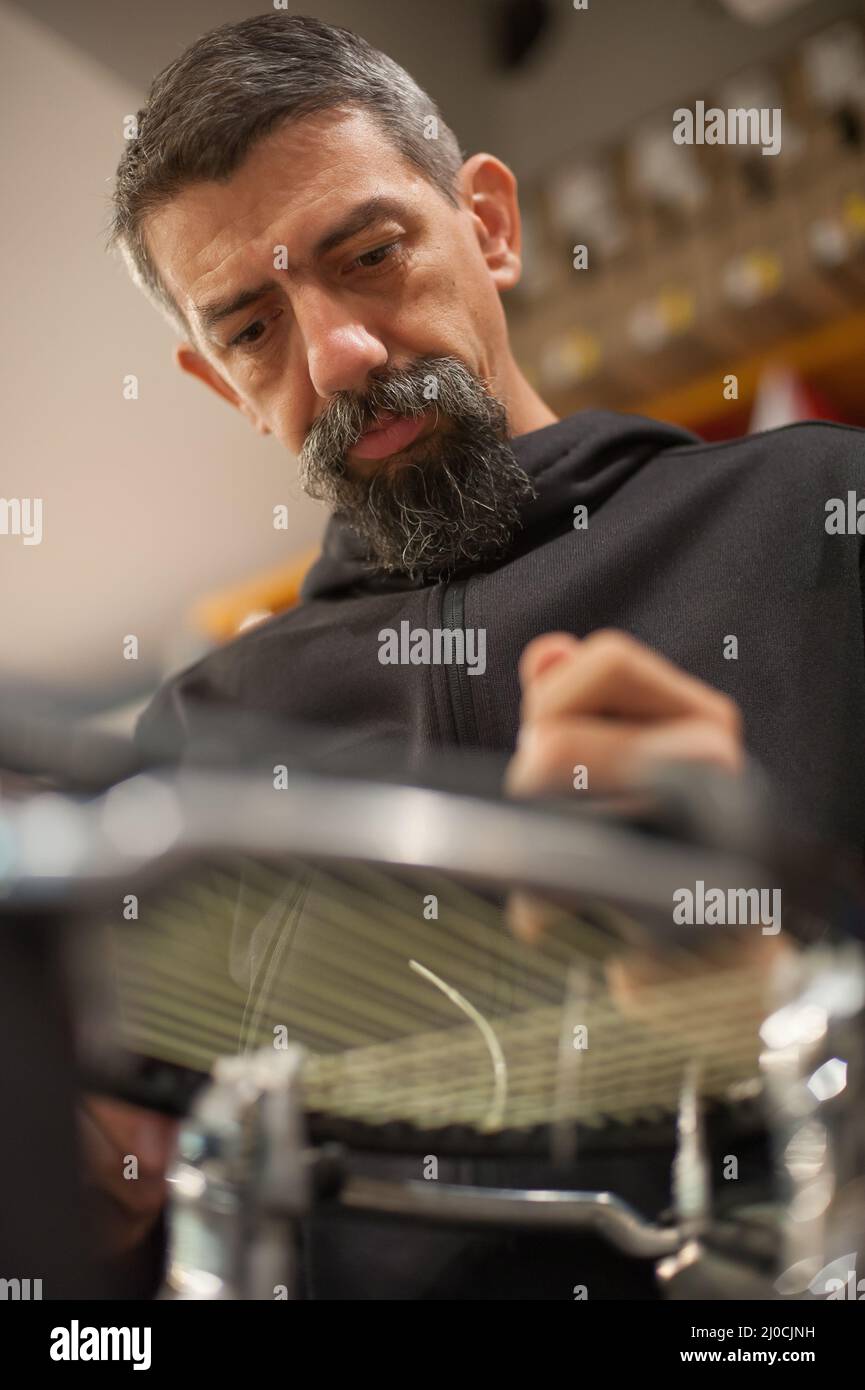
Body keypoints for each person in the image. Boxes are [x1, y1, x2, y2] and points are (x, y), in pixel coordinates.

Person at [93, 13, 863, 1296]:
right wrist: (102, 1225)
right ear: (215, 377)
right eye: (249, 327)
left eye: (370, 253)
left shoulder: (822, 522)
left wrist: (770, 1005)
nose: (335, 354)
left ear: (490, 226)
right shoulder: (201, 740)